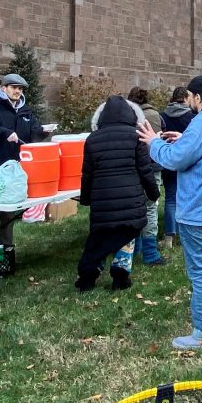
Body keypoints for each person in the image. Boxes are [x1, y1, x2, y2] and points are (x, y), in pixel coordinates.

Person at [138, 74, 202, 349]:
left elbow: (173, 159)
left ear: (197, 98)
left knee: (200, 271)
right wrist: (185, 138)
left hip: (199, 211)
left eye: (190, 97)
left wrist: (153, 142)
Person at [77, 95, 160, 291]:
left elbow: (87, 173)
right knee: (126, 239)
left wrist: (86, 198)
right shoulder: (135, 137)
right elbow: (145, 169)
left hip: (103, 203)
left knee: (99, 240)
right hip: (131, 202)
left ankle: (88, 277)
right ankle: (120, 278)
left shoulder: (92, 140)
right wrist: (153, 193)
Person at [0, 73, 46, 263]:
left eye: (20, 89)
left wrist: (43, 132)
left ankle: (6, 252)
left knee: (8, 214)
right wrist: (4, 133)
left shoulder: (26, 111)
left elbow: (32, 135)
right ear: (4, 88)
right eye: (14, 88)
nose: (17, 92)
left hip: (15, 172)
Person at [125, 87, 165, 266]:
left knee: (134, 206)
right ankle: (150, 252)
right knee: (150, 207)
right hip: (153, 164)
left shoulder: (128, 117)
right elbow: (162, 135)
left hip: (134, 166)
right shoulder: (156, 115)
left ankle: (135, 248)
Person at [157, 86, 193, 251]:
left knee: (171, 198)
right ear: (186, 98)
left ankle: (169, 237)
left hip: (169, 161)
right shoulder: (192, 117)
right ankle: (188, 235)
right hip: (187, 161)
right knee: (189, 198)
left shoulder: (162, 116)